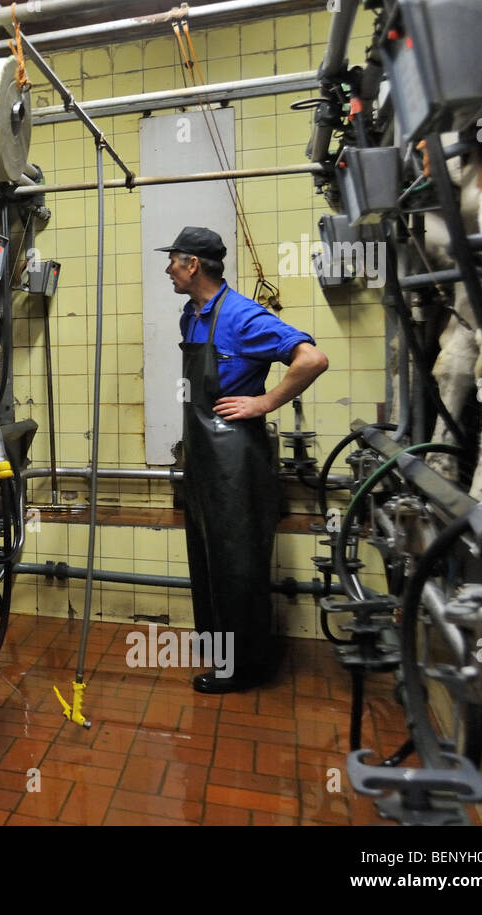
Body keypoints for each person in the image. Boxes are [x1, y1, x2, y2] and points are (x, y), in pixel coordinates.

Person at [157, 227, 329, 693]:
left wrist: (265, 402)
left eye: (173, 260)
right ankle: (220, 648)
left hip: (237, 459)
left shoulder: (242, 315)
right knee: (208, 553)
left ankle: (245, 666)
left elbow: (312, 359)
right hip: (202, 454)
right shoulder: (190, 317)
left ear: (193, 265)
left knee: (239, 561)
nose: (167, 268)